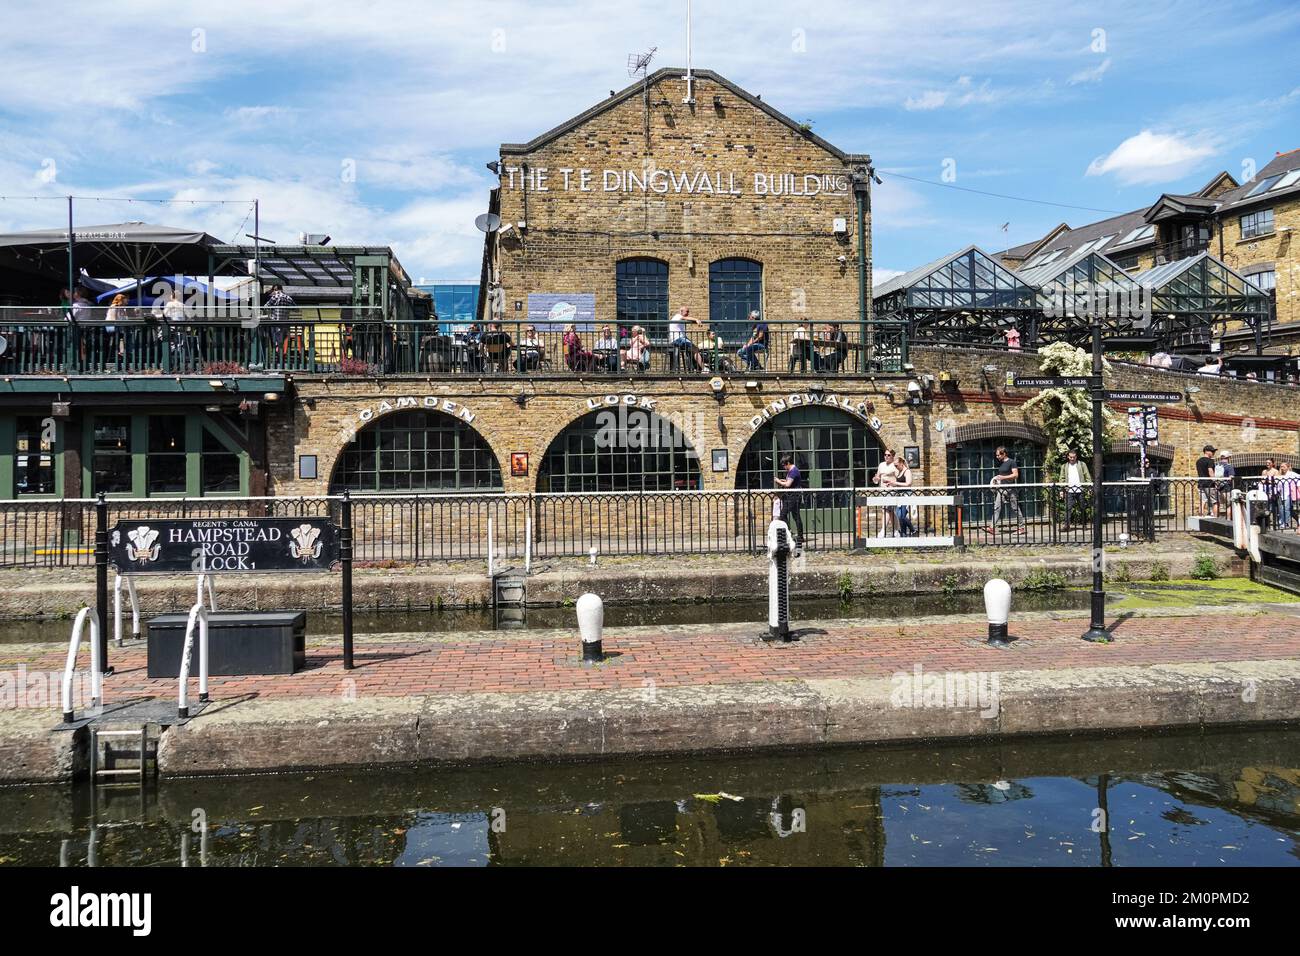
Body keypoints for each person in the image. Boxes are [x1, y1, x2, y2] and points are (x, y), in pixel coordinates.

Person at [985, 445, 1026, 535]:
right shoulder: (1001, 463)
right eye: (996, 455)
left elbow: (1015, 475)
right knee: (997, 508)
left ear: (1004, 454)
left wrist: (1003, 477)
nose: (997, 457)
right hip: (1001, 489)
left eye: (998, 455)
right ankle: (991, 527)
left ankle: (1021, 528)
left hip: (1011, 489)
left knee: (1015, 508)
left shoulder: (1012, 462)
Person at [773, 455, 805, 548]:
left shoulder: (793, 471)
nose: (784, 467)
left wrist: (779, 481)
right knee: (796, 516)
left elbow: (788, 484)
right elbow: (789, 482)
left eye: (784, 465)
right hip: (793, 496)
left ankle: (789, 533)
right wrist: (783, 480)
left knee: (783, 514)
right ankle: (800, 536)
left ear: (788, 463)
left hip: (793, 497)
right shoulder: (792, 471)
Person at [1058, 448, 1091, 529]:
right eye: (1070, 457)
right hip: (1069, 490)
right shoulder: (1064, 466)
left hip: (1080, 489)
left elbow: (1087, 476)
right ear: (1068, 457)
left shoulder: (1082, 464)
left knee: (1082, 507)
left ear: (1076, 457)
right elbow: (1061, 478)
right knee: (1068, 508)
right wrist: (1062, 490)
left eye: (1074, 457)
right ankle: (1067, 525)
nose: (1072, 459)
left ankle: (1084, 525)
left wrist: (1089, 487)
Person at [667, 306, 704, 372]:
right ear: (681, 311)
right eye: (686, 311)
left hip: (679, 339)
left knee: (694, 349)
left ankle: (693, 368)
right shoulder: (678, 316)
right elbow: (685, 318)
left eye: (688, 312)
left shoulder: (679, 318)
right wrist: (696, 319)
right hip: (678, 339)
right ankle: (704, 369)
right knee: (695, 349)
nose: (688, 313)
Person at [872, 448, 899, 536]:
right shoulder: (881, 465)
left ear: (893, 456)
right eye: (885, 455)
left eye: (888, 455)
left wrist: (892, 482)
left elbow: (899, 478)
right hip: (883, 491)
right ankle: (896, 530)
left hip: (891, 491)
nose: (886, 457)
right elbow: (877, 477)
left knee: (886, 510)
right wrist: (876, 479)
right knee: (889, 511)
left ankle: (883, 531)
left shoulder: (895, 466)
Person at [893, 453, 916, 536]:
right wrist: (892, 483)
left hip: (906, 495)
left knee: (902, 516)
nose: (896, 467)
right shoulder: (899, 472)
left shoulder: (907, 471)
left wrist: (896, 482)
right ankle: (904, 533)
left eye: (896, 465)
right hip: (900, 495)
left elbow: (908, 483)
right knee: (899, 516)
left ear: (901, 464)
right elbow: (899, 483)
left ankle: (912, 530)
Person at [1195, 444, 1218, 517]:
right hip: (1209, 484)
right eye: (1212, 451)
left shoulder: (1198, 461)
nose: (1213, 453)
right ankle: (1216, 518)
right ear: (1207, 451)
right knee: (1215, 502)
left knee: (1202, 501)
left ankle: (1200, 517)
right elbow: (1210, 472)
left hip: (1201, 484)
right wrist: (1215, 481)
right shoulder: (1210, 461)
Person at [1261, 458, 1282, 530]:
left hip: (1273, 490)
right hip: (1265, 489)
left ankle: (1275, 520)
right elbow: (1262, 480)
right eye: (1266, 463)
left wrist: (1270, 482)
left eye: (1269, 463)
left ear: (1272, 464)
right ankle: (1267, 520)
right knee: (1266, 505)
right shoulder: (1264, 471)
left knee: (1273, 506)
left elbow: (1277, 481)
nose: (1267, 464)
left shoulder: (1275, 471)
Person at [1279, 461, 1298, 532]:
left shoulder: (1291, 474)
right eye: (1281, 466)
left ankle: (1286, 523)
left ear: (1287, 467)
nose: (1282, 468)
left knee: (1286, 509)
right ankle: (1283, 521)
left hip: (1288, 494)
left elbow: (1298, 479)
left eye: (1283, 466)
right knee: (1281, 509)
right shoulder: (1280, 474)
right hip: (1281, 494)